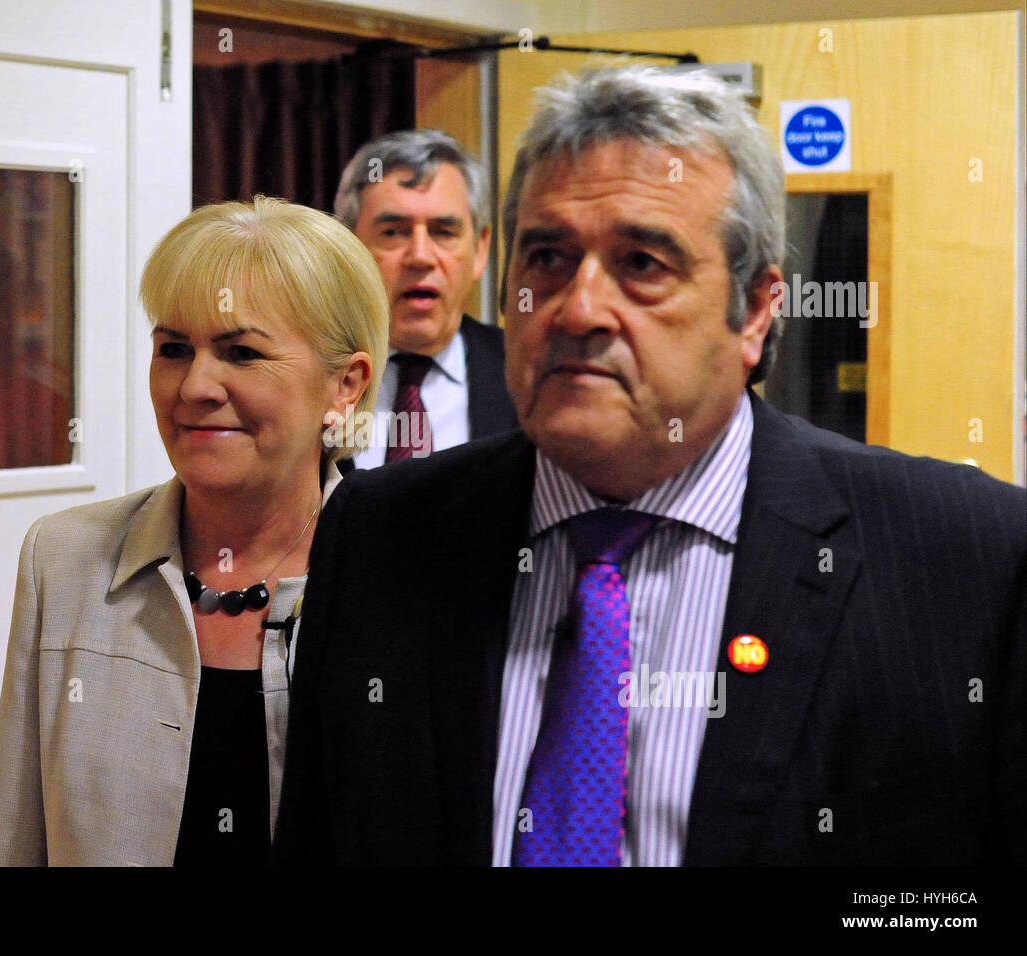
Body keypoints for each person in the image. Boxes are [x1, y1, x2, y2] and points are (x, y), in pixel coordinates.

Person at [275, 66, 1027, 866]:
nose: (579, 308)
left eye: (642, 264)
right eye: (548, 259)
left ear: (757, 311)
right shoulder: (381, 534)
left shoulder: (965, 559)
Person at [0, 196, 384, 866]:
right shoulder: (65, 560)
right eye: (173, 348)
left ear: (346, 384)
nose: (194, 385)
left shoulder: (406, 586)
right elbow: (13, 841)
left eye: (241, 352)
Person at [334, 129, 516, 468]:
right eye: (393, 232)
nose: (420, 256)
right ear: (348, 248)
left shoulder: (525, 374)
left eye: (443, 232)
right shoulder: (309, 378)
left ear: (480, 249)